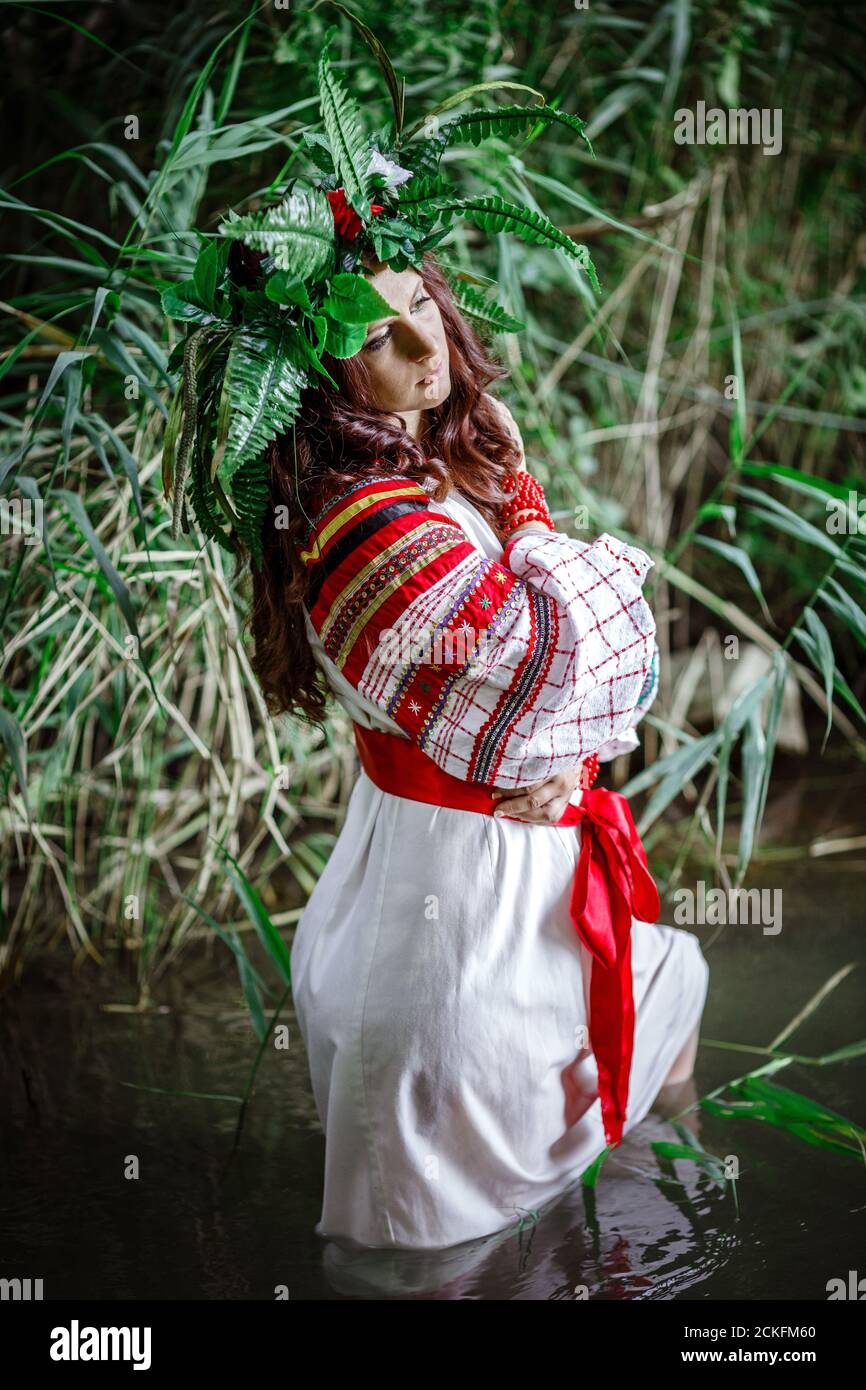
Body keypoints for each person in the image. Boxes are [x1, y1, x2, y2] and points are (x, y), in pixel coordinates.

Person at [161, 24, 710, 1253]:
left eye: (422, 311)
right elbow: (552, 653)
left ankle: (651, 1230)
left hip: (511, 871)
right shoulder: (360, 520)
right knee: (423, 1224)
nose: (423, 354)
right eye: (374, 337)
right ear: (312, 376)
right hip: (449, 902)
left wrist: (558, 759)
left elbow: (544, 684)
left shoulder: (415, 461)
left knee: (659, 1002)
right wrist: (523, 518)